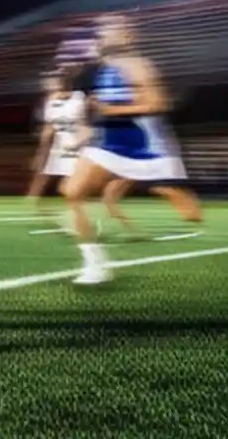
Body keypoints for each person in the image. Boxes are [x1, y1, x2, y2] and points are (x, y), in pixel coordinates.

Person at [62, 14, 201, 284]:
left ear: (127, 36)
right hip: (109, 144)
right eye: (101, 29)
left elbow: (157, 105)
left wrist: (112, 110)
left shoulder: (138, 66)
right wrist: (87, 128)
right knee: (72, 192)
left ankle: (180, 193)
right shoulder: (102, 69)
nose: (103, 33)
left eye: (111, 29)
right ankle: (96, 265)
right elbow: (97, 112)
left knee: (191, 216)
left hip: (146, 147)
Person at [25, 70, 89, 217]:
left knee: (70, 186)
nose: (48, 85)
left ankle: (81, 216)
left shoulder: (79, 99)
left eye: (52, 81)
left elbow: (87, 124)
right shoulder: (51, 101)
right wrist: (41, 150)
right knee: (62, 186)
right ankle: (77, 215)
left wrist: (79, 143)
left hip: (78, 147)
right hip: (60, 148)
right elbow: (49, 128)